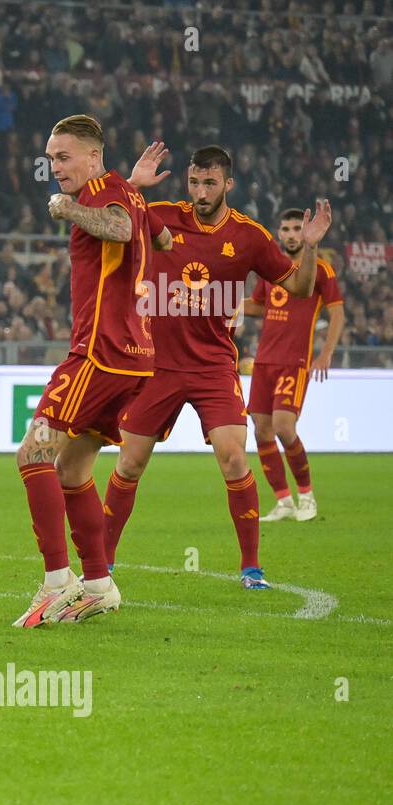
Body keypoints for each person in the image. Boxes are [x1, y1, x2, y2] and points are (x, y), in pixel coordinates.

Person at [105, 145, 332, 589]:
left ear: (228, 184)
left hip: (213, 367)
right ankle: (102, 564)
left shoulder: (248, 236)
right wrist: (131, 186)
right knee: (129, 464)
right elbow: (112, 218)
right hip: (157, 366)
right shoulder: (163, 215)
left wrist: (310, 246)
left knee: (232, 457)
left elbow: (302, 288)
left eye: (210, 183)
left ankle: (251, 568)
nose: (200, 191)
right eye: (194, 182)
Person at [10, 115, 168, 627]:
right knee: (73, 469)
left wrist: (69, 209)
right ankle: (98, 583)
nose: (54, 168)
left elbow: (120, 227)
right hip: (134, 358)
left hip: (99, 353)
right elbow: (159, 241)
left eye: (63, 157)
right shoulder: (122, 190)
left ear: (93, 158)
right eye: (51, 159)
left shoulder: (101, 194)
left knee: (34, 453)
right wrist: (134, 187)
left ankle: (57, 580)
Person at [242, 209, 345, 522]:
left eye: (296, 228)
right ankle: (284, 501)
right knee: (261, 430)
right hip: (264, 361)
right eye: (285, 228)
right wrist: (218, 301)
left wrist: (325, 353)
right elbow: (259, 306)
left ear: (305, 231)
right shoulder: (272, 269)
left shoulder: (321, 270)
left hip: (295, 361)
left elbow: (337, 313)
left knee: (284, 427)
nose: (290, 234)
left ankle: (306, 496)